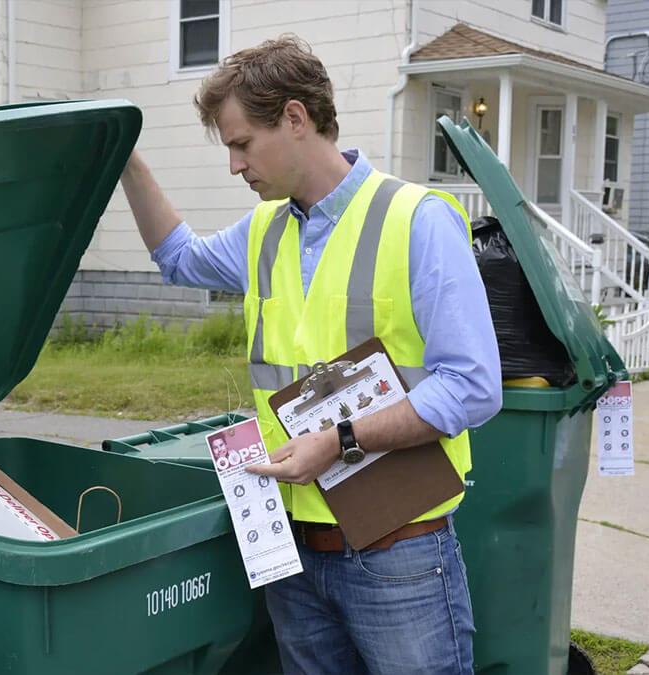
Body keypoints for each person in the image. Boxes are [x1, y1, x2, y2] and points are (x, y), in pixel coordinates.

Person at [117, 35, 501, 674]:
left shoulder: (418, 221)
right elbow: (179, 258)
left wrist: (342, 438)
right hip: (291, 548)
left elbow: (473, 386)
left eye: (242, 143)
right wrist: (127, 162)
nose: (235, 165)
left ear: (295, 119)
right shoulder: (266, 228)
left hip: (397, 550)